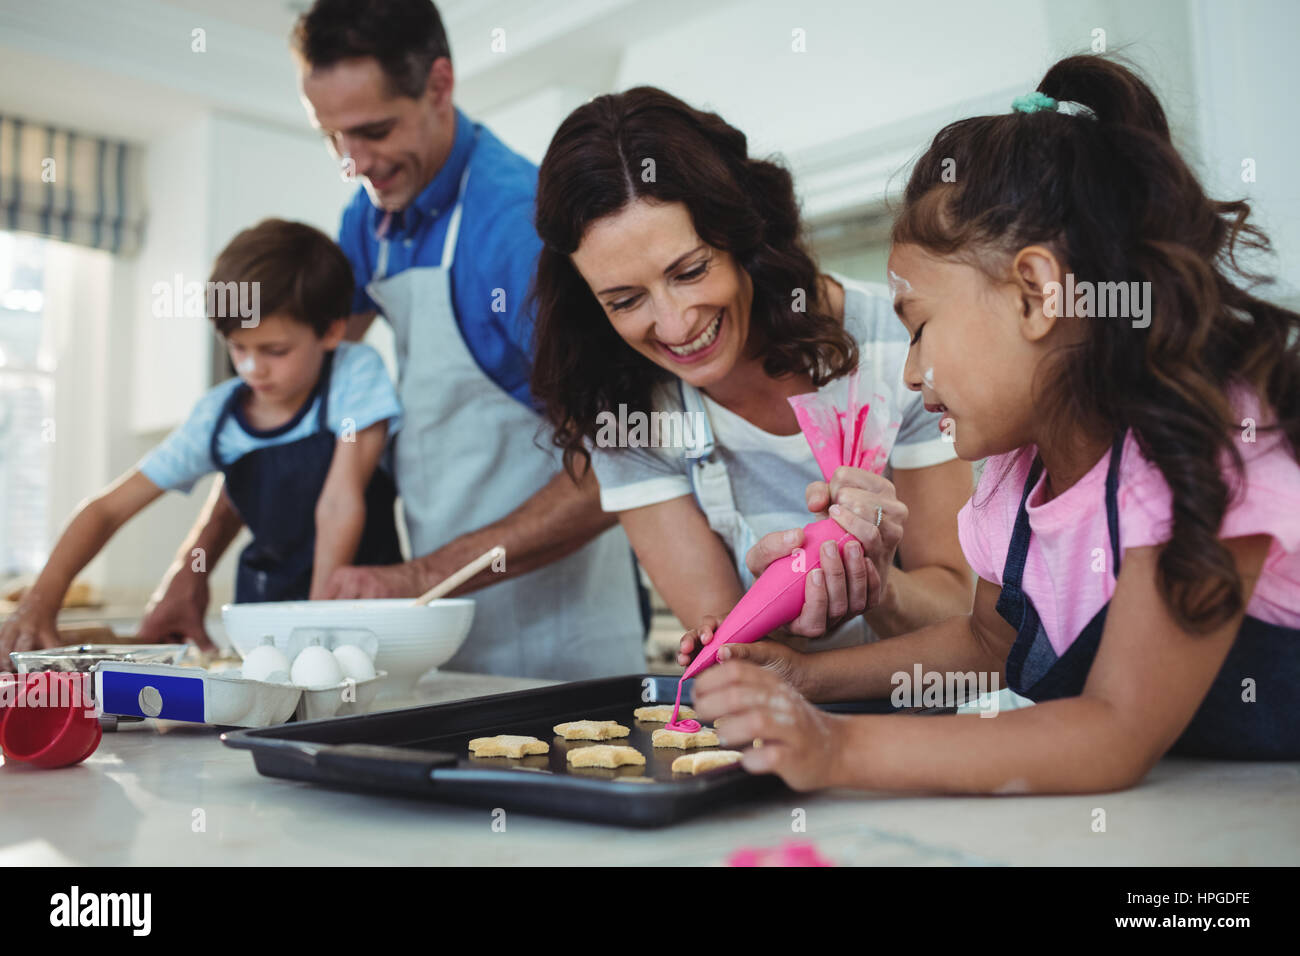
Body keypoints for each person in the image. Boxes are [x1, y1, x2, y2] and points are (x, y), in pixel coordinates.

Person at [691, 55, 1300, 792]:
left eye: (918, 328)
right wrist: (810, 679)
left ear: (1036, 294)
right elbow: (990, 641)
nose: (912, 374)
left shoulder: (1196, 454)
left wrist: (841, 750)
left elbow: (1115, 730)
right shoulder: (1018, 473)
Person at [138, 0, 644, 679]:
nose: (353, 164)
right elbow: (286, 403)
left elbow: (624, 456)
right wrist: (193, 565)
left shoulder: (515, 230)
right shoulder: (370, 219)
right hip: (438, 631)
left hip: (559, 643)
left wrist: (417, 576)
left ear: (439, 85)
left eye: (373, 130)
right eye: (332, 138)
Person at [529, 87, 976, 659]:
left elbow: (959, 615)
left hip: (924, 726)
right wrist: (785, 607)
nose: (674, 325)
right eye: (623, 301)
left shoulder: (897, 349)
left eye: (690, 271)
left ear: (740, 234)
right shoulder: (625, 407)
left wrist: (879, 589)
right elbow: (731, 654)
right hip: (767, 731)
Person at [1, 220, 402, 663]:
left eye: (274, 351)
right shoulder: (218, 414)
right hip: (263, 623)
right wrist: (39, 604)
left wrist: (315, 630)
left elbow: (338, 504)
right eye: (238, 348)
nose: (253, 369)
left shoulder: (354, 374)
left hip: (360, 619)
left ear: (330, 331)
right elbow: (107, 510)